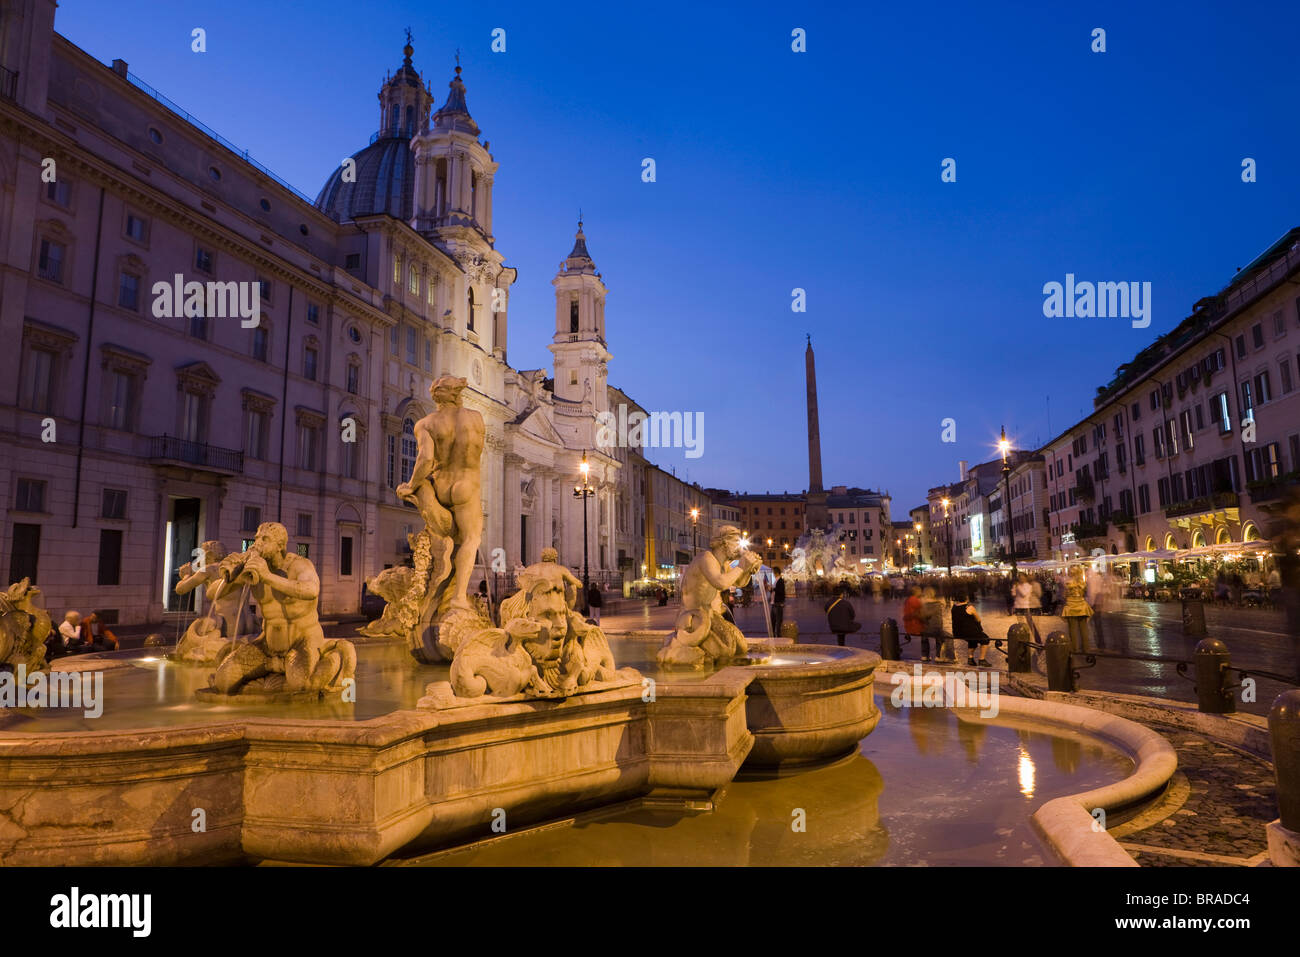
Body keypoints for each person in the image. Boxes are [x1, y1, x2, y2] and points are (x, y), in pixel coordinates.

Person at [951, 590, 991, 666]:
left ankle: (970, 659)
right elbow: (978, 619)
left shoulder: (954, 607)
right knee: (985, 639)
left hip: (957, 632)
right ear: (966, 598)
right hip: (968, 631)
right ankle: (982, 659)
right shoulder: (969, 608)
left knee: (973, 640)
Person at [1062, 564, 1094, 652]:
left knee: (1072, 630)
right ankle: (1086, 649)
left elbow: (1064, 595)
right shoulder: (1082, 582)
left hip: (1071, 606)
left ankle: (1074, 649)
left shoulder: (1068, 583)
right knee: (1084, 629)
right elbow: (1084, 593)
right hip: (1082, 605)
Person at [921, 585, 952, 662]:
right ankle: (938, 656)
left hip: (925, 629)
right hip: (936, 629)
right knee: (940, 637)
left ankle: (924, 655)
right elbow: (939, 619)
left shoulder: (922, 605)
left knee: (924, 635)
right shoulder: (938, 604)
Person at [1012, 573, 1041, 643]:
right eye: (1019, 577)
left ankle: (1037, 641)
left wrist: (1017, 587)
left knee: (1031, 625)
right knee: (1021, 625)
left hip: (1025, 606)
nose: (1021, 579)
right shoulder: (1018, 585)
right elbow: (1013, 594)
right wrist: (1014, 588)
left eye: (1022, 577)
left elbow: (1023, 594)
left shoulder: (1029, 586)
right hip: (1018, 606)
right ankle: (1024, 641)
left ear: (1025, 578)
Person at [903, 584, 926, 660]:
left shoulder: (908, 600)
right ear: (917, 592)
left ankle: (925, 655)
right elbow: (919, 613)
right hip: (915, 625)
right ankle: (925, 654)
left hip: (908, 625)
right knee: (928, 632)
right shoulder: (915, 600)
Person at [770, 566, 786, 637]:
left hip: (778, 604)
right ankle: (773, 635)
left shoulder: (780, 581)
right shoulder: (776, 581)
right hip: (774, 603)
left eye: (773, 572)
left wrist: (773, 589)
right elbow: (775, 591)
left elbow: (781, 592)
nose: (773, 574)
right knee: (773, 621)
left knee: (778, 622)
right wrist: (770, 589)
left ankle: (778, 636)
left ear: (776, 573)